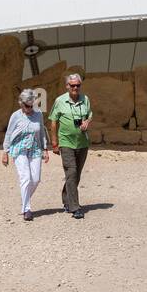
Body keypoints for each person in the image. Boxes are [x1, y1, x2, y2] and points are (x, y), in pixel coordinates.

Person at [47, 73, 92, 219]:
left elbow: (89, 115)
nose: (75, 88)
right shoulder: (60, 101)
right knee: (71, 172)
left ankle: (67, 200)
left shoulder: (85, 99)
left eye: (78, 85)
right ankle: (75, 207)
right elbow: (53, 122)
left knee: (75, 175)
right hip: (66, 143)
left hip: (82, 143)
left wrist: (87, 122)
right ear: (67, 86)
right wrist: (54, 143)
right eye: (72, 85)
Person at [1, 90, 49, 220]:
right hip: (19, 148)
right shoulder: (15, 116)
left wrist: (45, 148)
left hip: (35, 148)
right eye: (26, 105)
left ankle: (24, 200)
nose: (29, 108)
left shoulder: (38, 114)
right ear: (21, 103)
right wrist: (5, 152)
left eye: (31, 105)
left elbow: (42, 132)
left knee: (36, 179)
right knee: (26, 178)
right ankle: (27, 209)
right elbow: (9, 134)